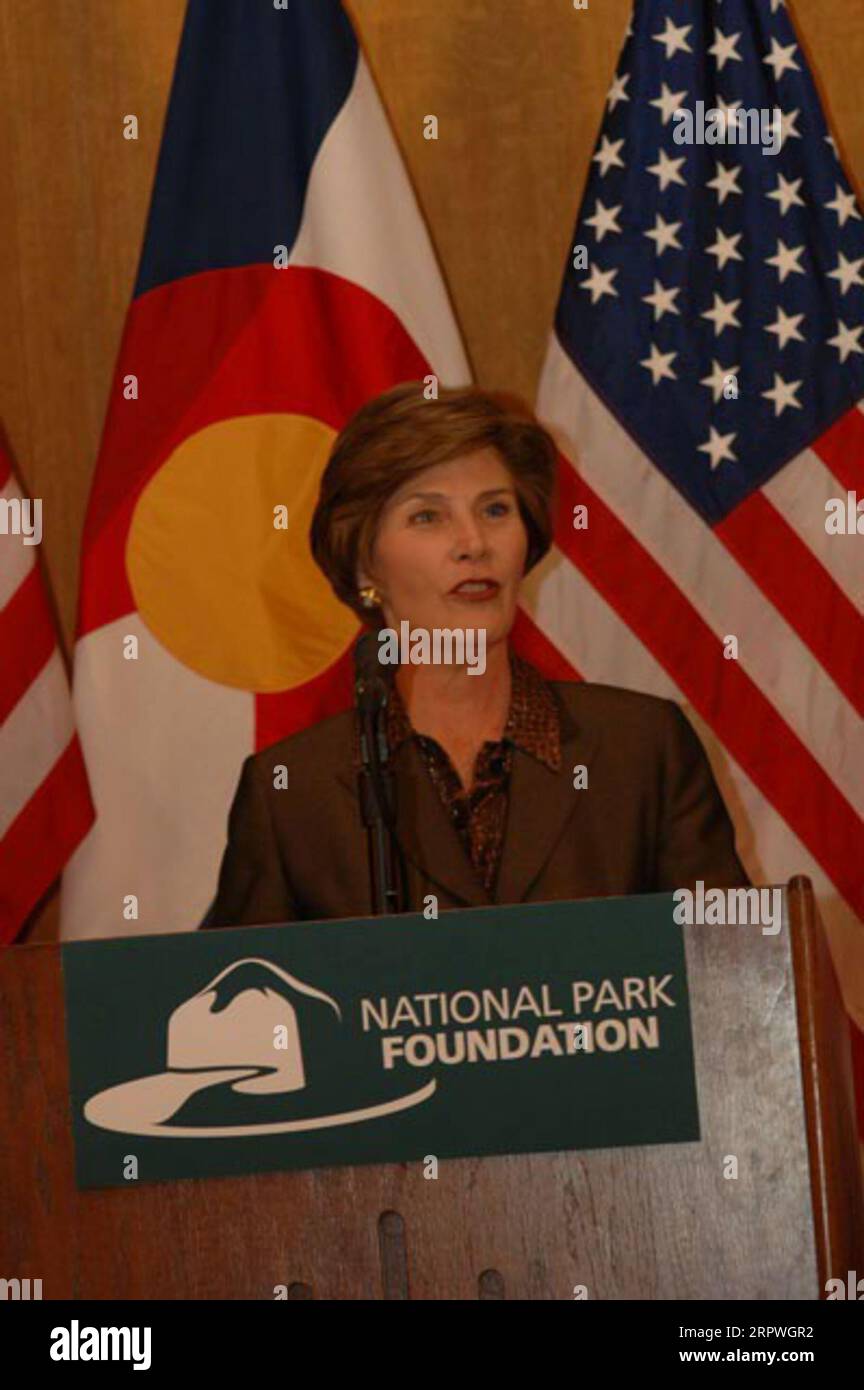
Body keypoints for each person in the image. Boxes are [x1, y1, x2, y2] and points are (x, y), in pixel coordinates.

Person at [201, 382, 748, 929]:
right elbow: (228, 998)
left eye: (494, 509)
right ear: (366, 568)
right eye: (427, 517)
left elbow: (738, 977)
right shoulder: (292, 792)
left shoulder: (644, 750)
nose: (473, 543)